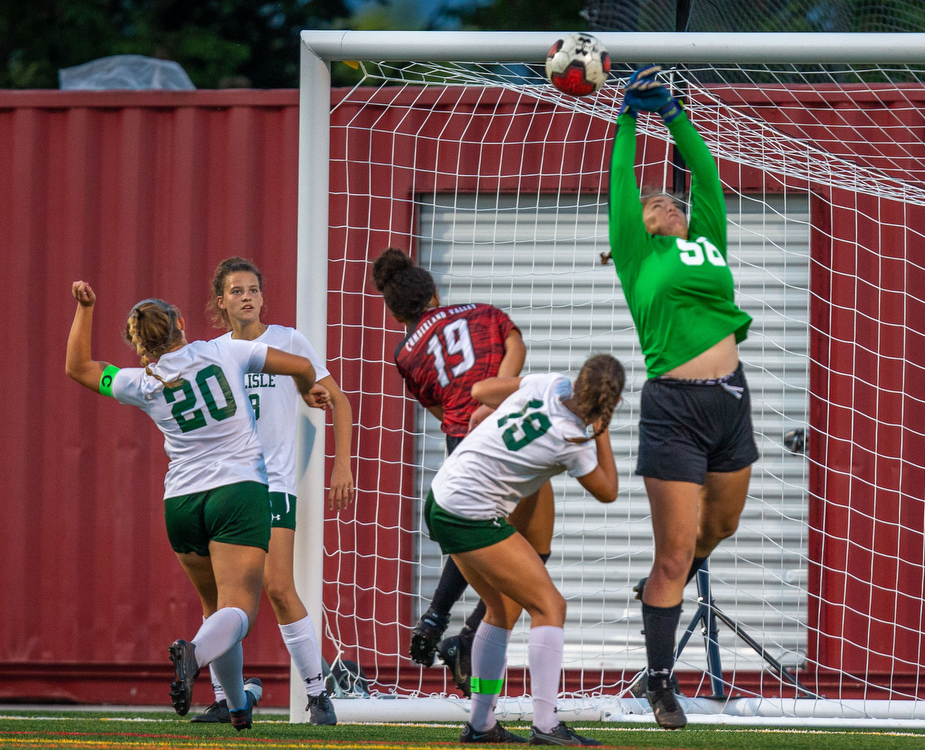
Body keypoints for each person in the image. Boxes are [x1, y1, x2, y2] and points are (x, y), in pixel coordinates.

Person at [65, 282, 327, 732]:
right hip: (237, 493)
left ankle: (238, 708)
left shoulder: (141, 382)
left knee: (216, 608)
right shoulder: (227, 351)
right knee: (239, 611)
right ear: (181, 323)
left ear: (139, 345)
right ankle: (195, 654)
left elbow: (79, 367)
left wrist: (85, 308)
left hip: (181, 504)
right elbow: (302, 366)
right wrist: (307, 390)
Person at [606, 66, 759, 730]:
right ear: (639, 227)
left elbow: (706, 175)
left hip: (731, 401)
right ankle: (662, 684)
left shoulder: (707, 240)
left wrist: (673, 114)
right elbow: (621, 184)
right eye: (654, 205)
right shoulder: (638, 256)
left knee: (719, 527)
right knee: (672, 556)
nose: (667, 203)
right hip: (673, 409)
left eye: (672, 200)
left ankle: (657, 596)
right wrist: (627, 119)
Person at [371, 247, 555, 697]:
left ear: (396, 314)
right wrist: (497, 399)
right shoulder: (480, 312)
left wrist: (472, 415)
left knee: (479, 537)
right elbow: (516, 344)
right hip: (506, 434)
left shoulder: (405, 353)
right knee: (533, 551)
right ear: (435, 293)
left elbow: (438, 408)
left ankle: (438, 617)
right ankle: (468, 636)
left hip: (463, 441)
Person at [186, 256, 355, 726]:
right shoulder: (211, 352)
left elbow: (338, 399)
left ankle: (317, 694)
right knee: (219, 599)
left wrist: (341, 466)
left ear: (262, 297)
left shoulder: (288, 341)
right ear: (220, 302)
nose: (247, 297)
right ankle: (227, 699)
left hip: (273, 483)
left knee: (279, 587)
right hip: (225, 488)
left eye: (253, 289)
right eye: (236, 290)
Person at [426, 354, 624, 746]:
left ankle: (481, 724)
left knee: (501, 609)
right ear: (611, 404)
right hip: (469, 513)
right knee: (551, 607)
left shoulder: (548, 383)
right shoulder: (573, 441)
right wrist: (601, 430)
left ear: (578, 380)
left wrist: (492, 411)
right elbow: (608, 491)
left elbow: (480, 390)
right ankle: (546, 725)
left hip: (442, 496)